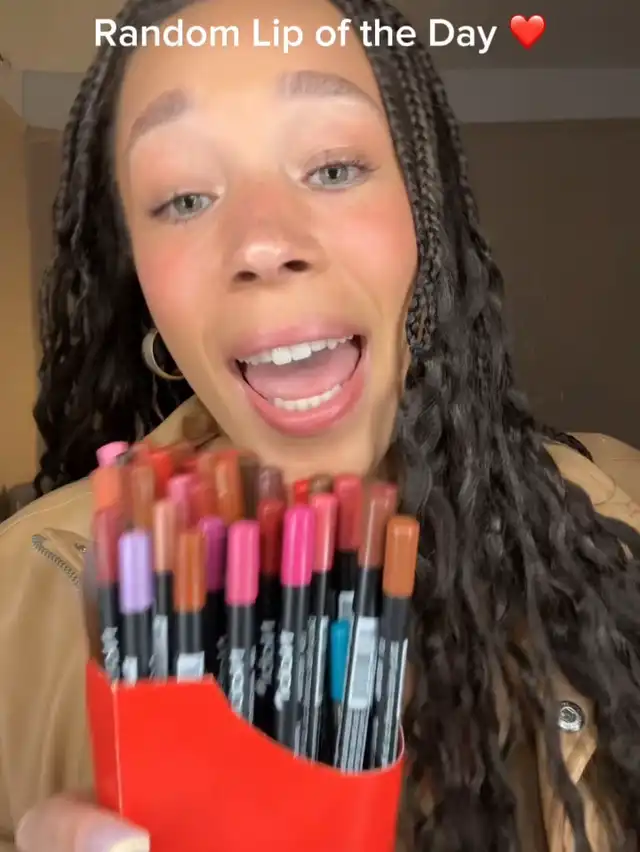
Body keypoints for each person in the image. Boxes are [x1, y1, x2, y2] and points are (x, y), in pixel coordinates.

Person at [1, 0, 640, 849]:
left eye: (335, 168)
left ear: (428, 223)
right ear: (141, 282)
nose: (262, 244)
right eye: (184, 197)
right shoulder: (17, 594)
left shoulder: (624, 513)